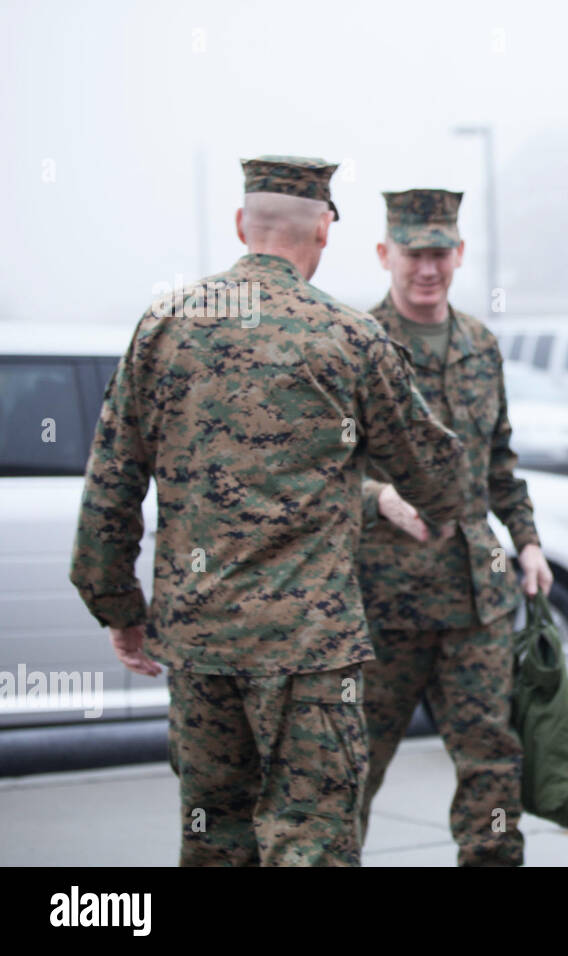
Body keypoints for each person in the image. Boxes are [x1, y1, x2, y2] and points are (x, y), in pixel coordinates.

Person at [69, 156, 467, 867]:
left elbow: (110, 487)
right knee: (309, 843)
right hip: (310, 653)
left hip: (199, 646)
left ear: (240, 226)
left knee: (214, 839)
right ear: (323, 231)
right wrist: (432, 506)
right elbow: (434, 471)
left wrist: (119, 608)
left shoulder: (162, 327)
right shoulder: (349, 338)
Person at [357, 188, 551, 867]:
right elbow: (319, 466)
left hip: (477, 596)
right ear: (386, 254)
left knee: (492, 760)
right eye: (413, 254)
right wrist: (377, 496)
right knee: (351, 768)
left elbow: (500, 460)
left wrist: (526, 539)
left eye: (439, 253)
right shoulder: (355, 344)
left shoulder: (480, 344)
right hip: (382, 604)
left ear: (459, 254)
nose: (427, 268)